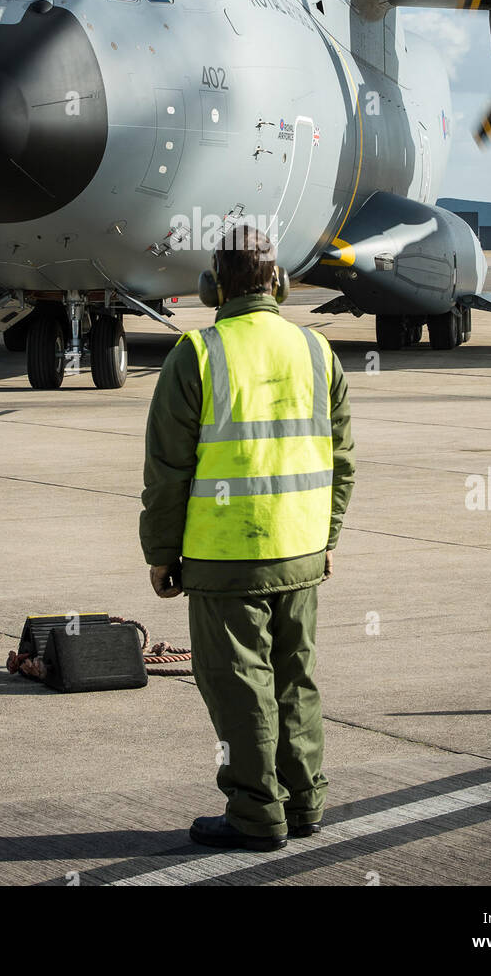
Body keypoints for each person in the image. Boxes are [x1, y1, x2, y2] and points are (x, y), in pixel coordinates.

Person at [140, 225, 355, 851]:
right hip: (301, 550)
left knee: (241, 686)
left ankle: (256, 815)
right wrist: (328, 535)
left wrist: (161, 555)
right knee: (296, 676)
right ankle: (306, 801)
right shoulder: (318, 352)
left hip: (224, 555)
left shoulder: (197, 354)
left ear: (213, 287)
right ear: (280, 283)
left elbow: (168, 473)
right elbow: (341, 458)